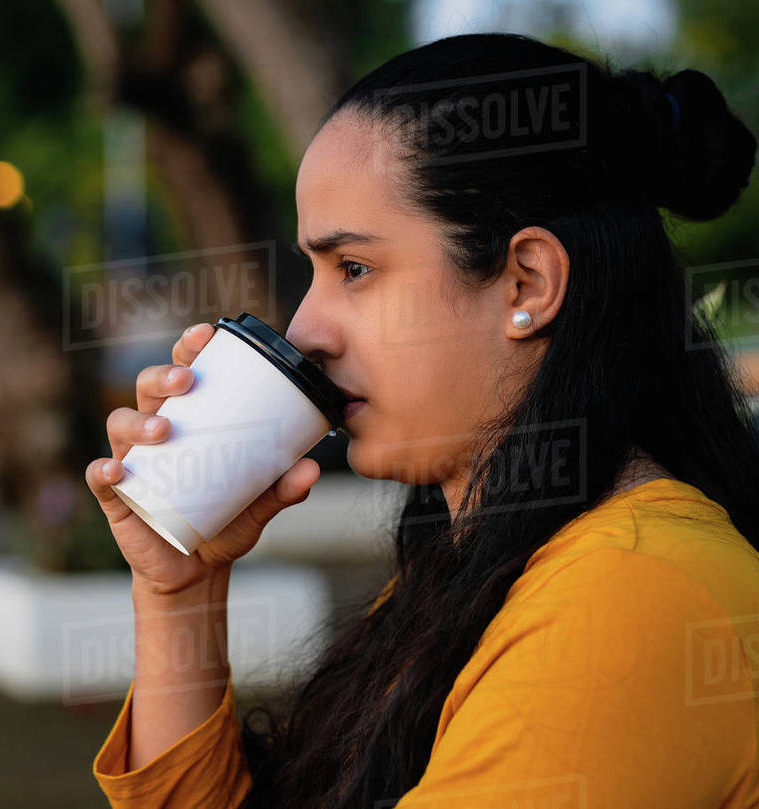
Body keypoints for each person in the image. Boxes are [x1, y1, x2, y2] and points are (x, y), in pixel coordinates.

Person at [85, 31, 759, 809]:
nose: (304, 330)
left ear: (527, 283)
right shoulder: (476, 568)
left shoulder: (631, 598)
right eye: (316, 272)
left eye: (356, 269)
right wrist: (180, 588)